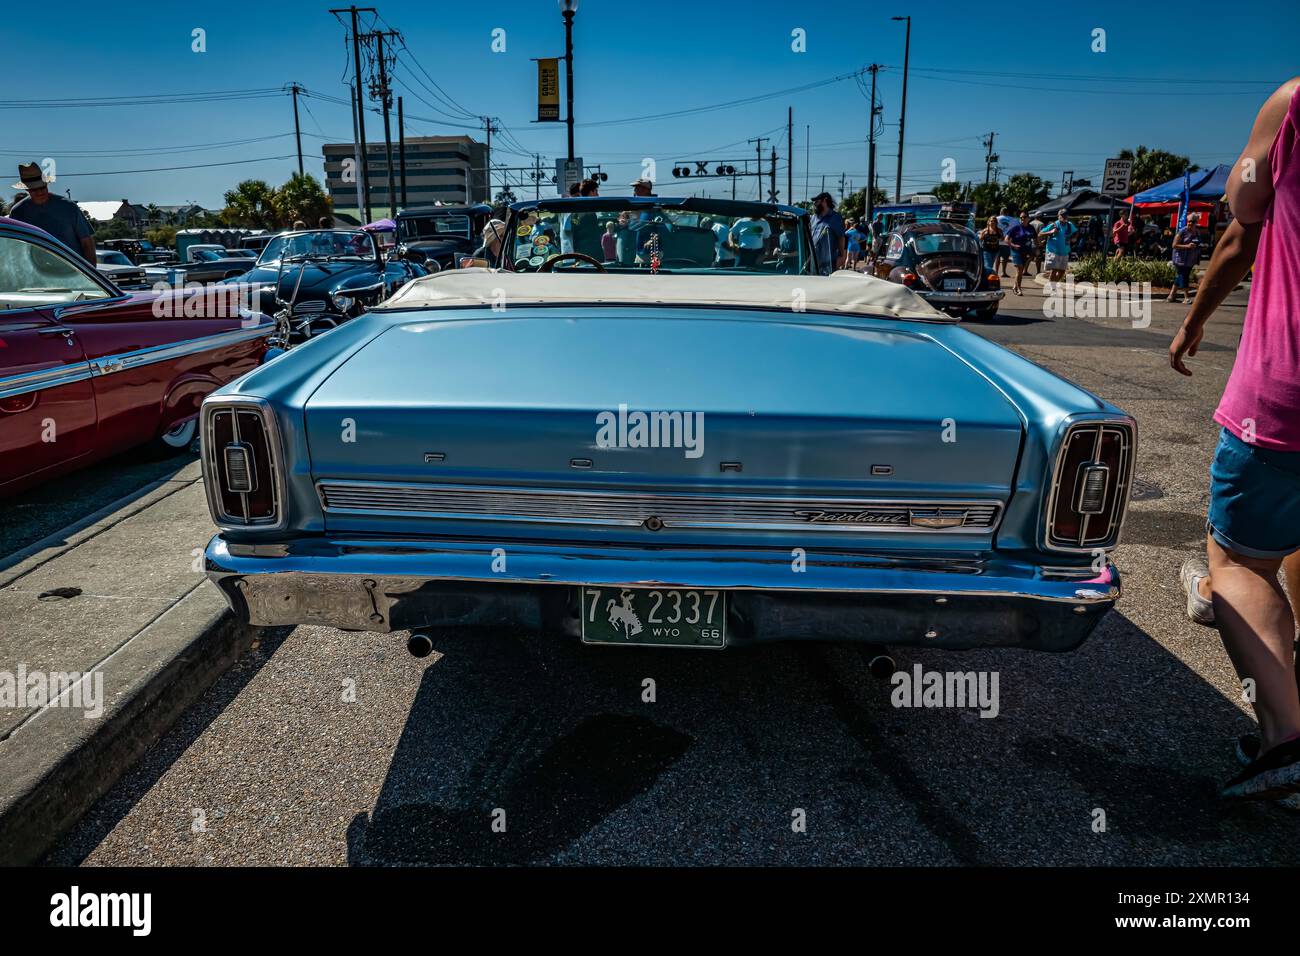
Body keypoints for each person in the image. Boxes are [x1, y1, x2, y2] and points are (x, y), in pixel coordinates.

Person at [1170, 76, 1300, 802]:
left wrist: (1193, 321)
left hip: (1287, 392)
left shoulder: (1292, 106)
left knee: (1241, 563)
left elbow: (1241, 224)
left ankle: (1286, 740)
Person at [7, 162, 95, 262]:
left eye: (42, 187)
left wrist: (90, 274)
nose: (40, 192)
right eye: (34, 189)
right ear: (27, 190)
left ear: (46, 184)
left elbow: (87, 243)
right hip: (37, 273)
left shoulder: (68, 207)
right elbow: (15, 249)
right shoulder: (18, 212)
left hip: (71, 272)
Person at [1167, 213, 1203, 304]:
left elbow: (1199, 242)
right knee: (1184, 276)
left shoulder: (1197, 232)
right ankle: (1186, 297)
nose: (1190, 223)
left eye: (1193, 222)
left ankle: (1171, 296)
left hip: (1191, 259)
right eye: (1189, 221)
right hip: (1180, 259)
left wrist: (1202, 246)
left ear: (1196, 223)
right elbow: (1174, 245)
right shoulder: (1182, 231)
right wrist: (1187, 246)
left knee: (1180, 276)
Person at [810, 191, 845, 275]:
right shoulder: (814, 218)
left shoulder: (835, 217)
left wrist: (842, 256)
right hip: (812, 262)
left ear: (824, 201)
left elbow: (841, 237)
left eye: (816, 201)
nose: (814, 204)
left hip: (828, 264)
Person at [1039, 209, 1076, 282]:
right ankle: (1052, 287)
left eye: (1065, 215)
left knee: (1062, 271)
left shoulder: (1069, 225)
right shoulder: (1054, 225)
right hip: (1053, 251)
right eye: (1061, 215)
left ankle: (1053, 284)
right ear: (1058, 216)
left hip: (1065, 251)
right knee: (1054, 270)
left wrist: (1074, 238)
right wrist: (1051, 232)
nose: (1063, 217)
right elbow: (1040, 234)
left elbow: (1076, 232)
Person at [1005, 212, 1037, 295]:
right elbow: (1006, 239)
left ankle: (1015, 286)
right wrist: (1013, 245)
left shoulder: (1031, 228)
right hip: (1016, 251)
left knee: (1020, 271)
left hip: (1026, 251)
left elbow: (1035, 238)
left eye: (1024, 217)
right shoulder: (1016, 228)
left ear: (1028, 218)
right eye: (1021, 217)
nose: (1022, 219)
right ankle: (1019, 289)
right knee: (1020, 269)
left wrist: (1038, 247)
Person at [995, 206, 1018, 277]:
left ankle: (996, 272)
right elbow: (1017, 229)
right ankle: (1003, 272)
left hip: (996, 241)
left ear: (1001, 212)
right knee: (1005, 258)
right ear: (1007, 212)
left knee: (997, 258)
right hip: (1007, 241)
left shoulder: (996, 218)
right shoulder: (1014, 220)